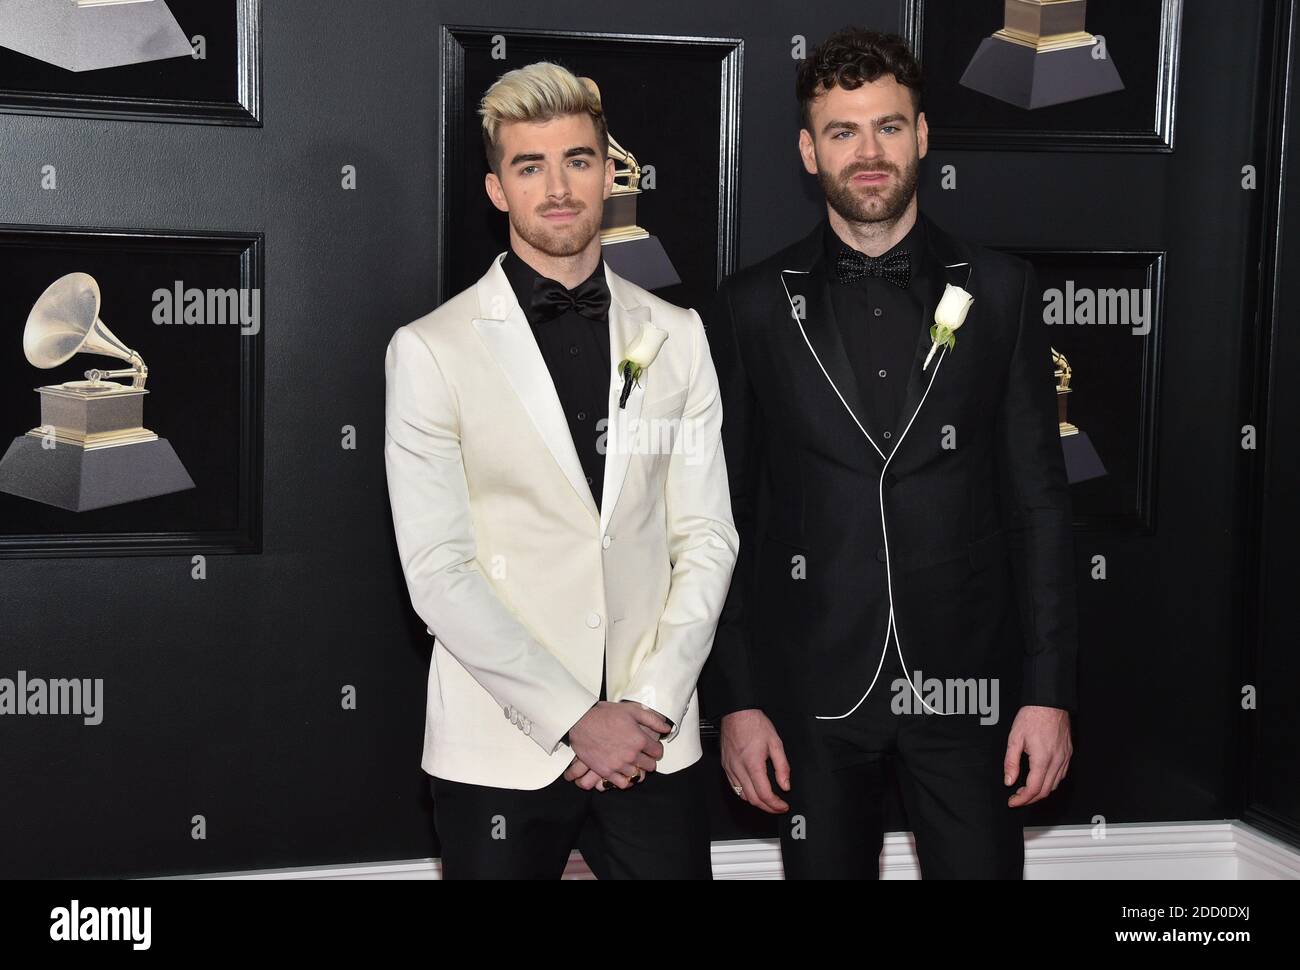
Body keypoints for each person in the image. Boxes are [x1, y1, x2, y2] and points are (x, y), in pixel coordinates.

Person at [700, 27, 1079, 879]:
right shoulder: (752, 304)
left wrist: (1047, 690)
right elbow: (725, 519)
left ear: (923, 135)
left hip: (969, 695)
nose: (868, 153)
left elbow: (1039, 506)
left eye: (888, 127)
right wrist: (742, 702)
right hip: (811, 701)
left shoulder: (1001, 289)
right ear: (808, 149)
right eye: (842, 131)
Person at [383, 61, 737, 879]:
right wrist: (578, 718)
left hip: (656, 745)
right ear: (497, 188)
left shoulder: (679, 334)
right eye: (529, 166)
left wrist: (645, 709)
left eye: (578, 160)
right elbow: (438, 572)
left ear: (609, 174)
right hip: (498, 748)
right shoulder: (431, 349)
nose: (558, 188)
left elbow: (707, 536)